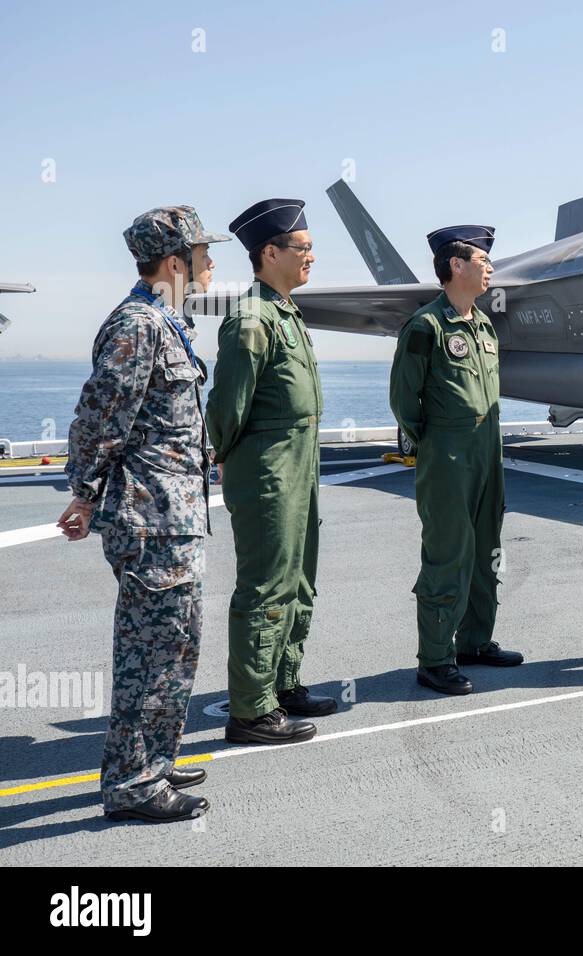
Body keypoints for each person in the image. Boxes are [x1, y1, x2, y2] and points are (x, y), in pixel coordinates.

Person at [61, 206, 229, 821]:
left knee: (178, 644)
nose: (212, 263)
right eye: (203, 254)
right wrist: (83, 492)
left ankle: (155, 757)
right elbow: (102, 415)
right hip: (150, 516)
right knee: (150, 651)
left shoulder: (165, 320)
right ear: (174, 261)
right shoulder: (138, 325)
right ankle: (133, 783)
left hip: (174, 514)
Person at [208, 199, 334, 744]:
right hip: (269, 471)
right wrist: (231, 463)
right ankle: (251, 711)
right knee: (265, 586)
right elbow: (227, 409)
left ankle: (282, 684)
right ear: (270, 252)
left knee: (298, 580)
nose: (311, 257)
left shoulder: (282, 309)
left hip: (297, 465)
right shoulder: (252, 318)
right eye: (303, 249)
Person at [389, 225, 523, 696]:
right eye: (481, 259)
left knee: (487, 549)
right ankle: (435, 658)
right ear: (455, 267)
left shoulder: (483, 325)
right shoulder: (426, 326)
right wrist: (436, 443)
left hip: (489, 450)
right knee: (448, 553)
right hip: (447, 454)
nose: (489, 267)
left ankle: (475, 642)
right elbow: (405, 402)